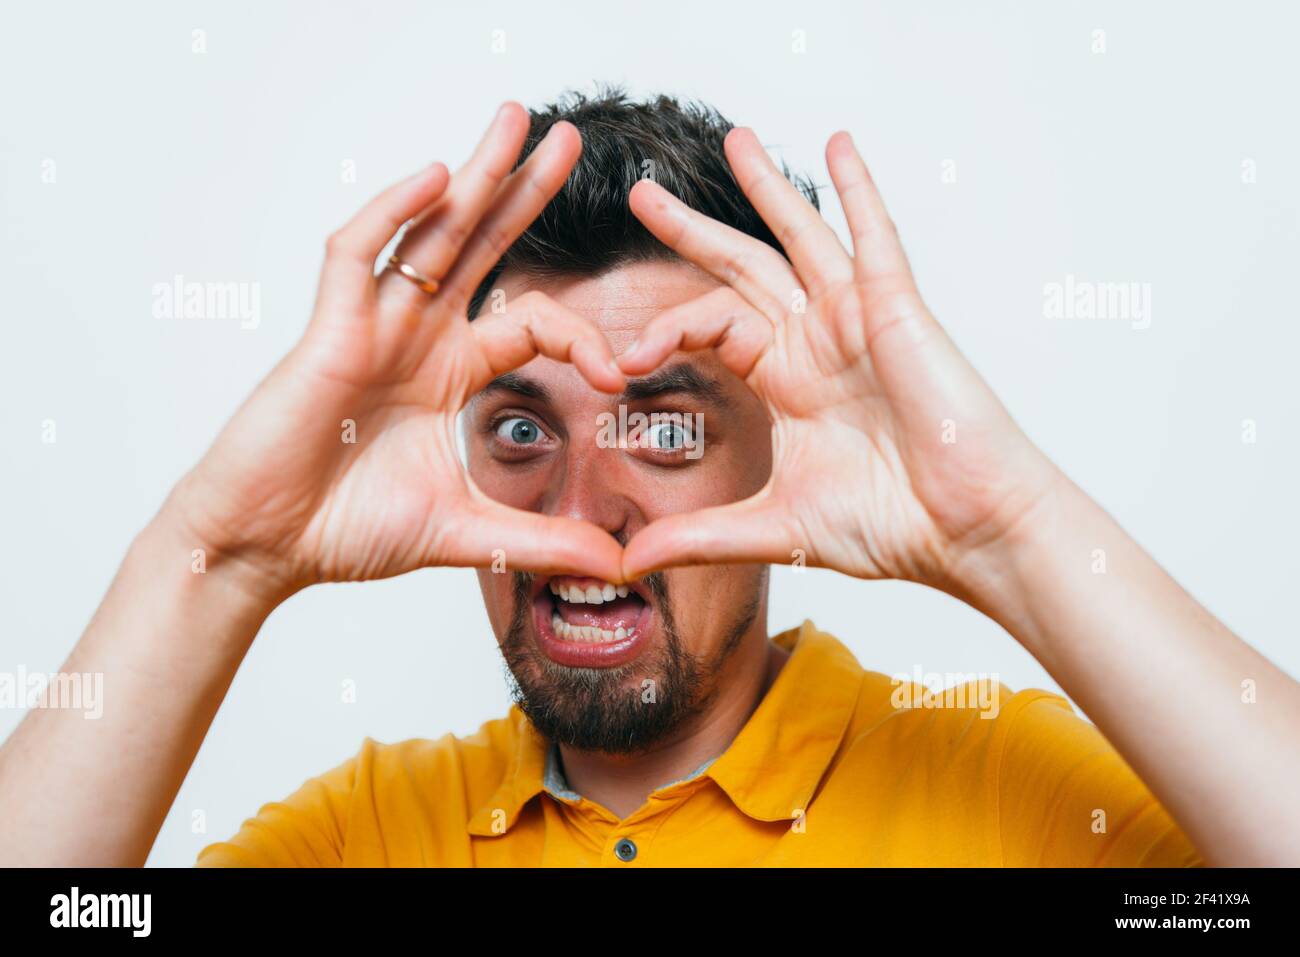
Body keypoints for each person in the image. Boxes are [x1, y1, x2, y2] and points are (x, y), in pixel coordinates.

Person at [2, 89, 1296, 867]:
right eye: (521, 430)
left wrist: (1006, 522)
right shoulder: (374, 832)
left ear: (786, 445)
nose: (585, 507)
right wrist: (222, 554)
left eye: (666, 428)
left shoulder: (1016, 792)